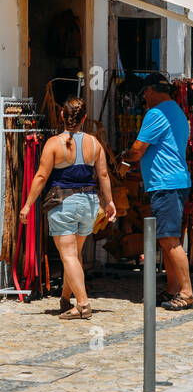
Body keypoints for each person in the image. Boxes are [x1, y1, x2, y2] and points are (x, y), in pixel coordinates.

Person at [20, 96, 116, 320]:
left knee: (69, 256)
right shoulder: (94, 143)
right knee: (74, 255)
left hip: (64, 203)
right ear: (84, 118)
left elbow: (42, 176)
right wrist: (109, 201)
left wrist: (27, 205)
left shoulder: (54, 143)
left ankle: (83, 305)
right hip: (89, 203)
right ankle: (65, 298)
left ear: (62, 115)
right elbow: (103, 174)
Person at [120, 72, 193, 311]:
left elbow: (137, 150)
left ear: (150, 91)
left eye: (145, 94)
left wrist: (123, 158)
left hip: (166, 183)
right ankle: (172, 288)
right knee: (167, 239)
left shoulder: (156, 113)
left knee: (170, 240)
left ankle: (186, 292)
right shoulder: (177, 111)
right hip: (174, 182)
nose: (145, 98)